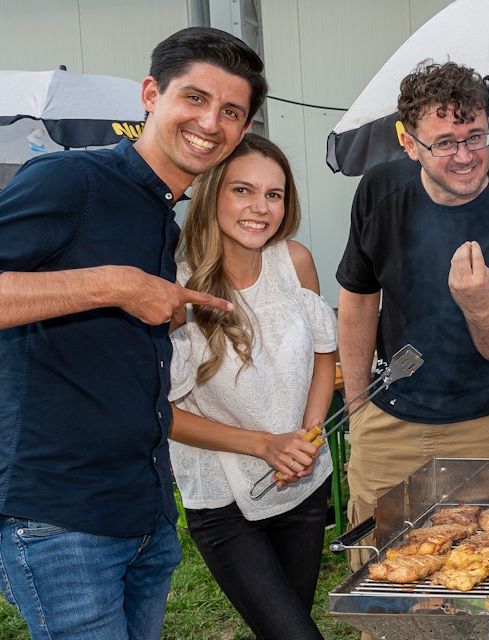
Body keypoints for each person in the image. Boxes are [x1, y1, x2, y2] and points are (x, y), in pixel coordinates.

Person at [0, 26, 265, 639]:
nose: (210, 122)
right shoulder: (71, 180)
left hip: (145, 517)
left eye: (231, 111)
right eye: (194, 98)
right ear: (151, 95)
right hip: (61, 521)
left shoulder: (164, 216)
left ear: (242, 130)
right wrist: (111, 285)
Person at [336, 60, 489, 559]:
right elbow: (359, 296)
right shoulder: (379, 192)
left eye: (476, 137)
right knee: (380, 568)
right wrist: (356, 405)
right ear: (408, 143)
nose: (465, 156)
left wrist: (479, 308)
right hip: (388, 421)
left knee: (483, 569)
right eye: (445, 143)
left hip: (485, 426)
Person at [167, 133, 337, 639]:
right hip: (222, 498)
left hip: (303, 484)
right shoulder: (173, 284)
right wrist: (265, 445)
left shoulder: (295, 261)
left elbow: (323, 355)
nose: (260, 208)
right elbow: (160, 412)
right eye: (243, 190)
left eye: (274, 194)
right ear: (210, 192)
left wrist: (307, 436)